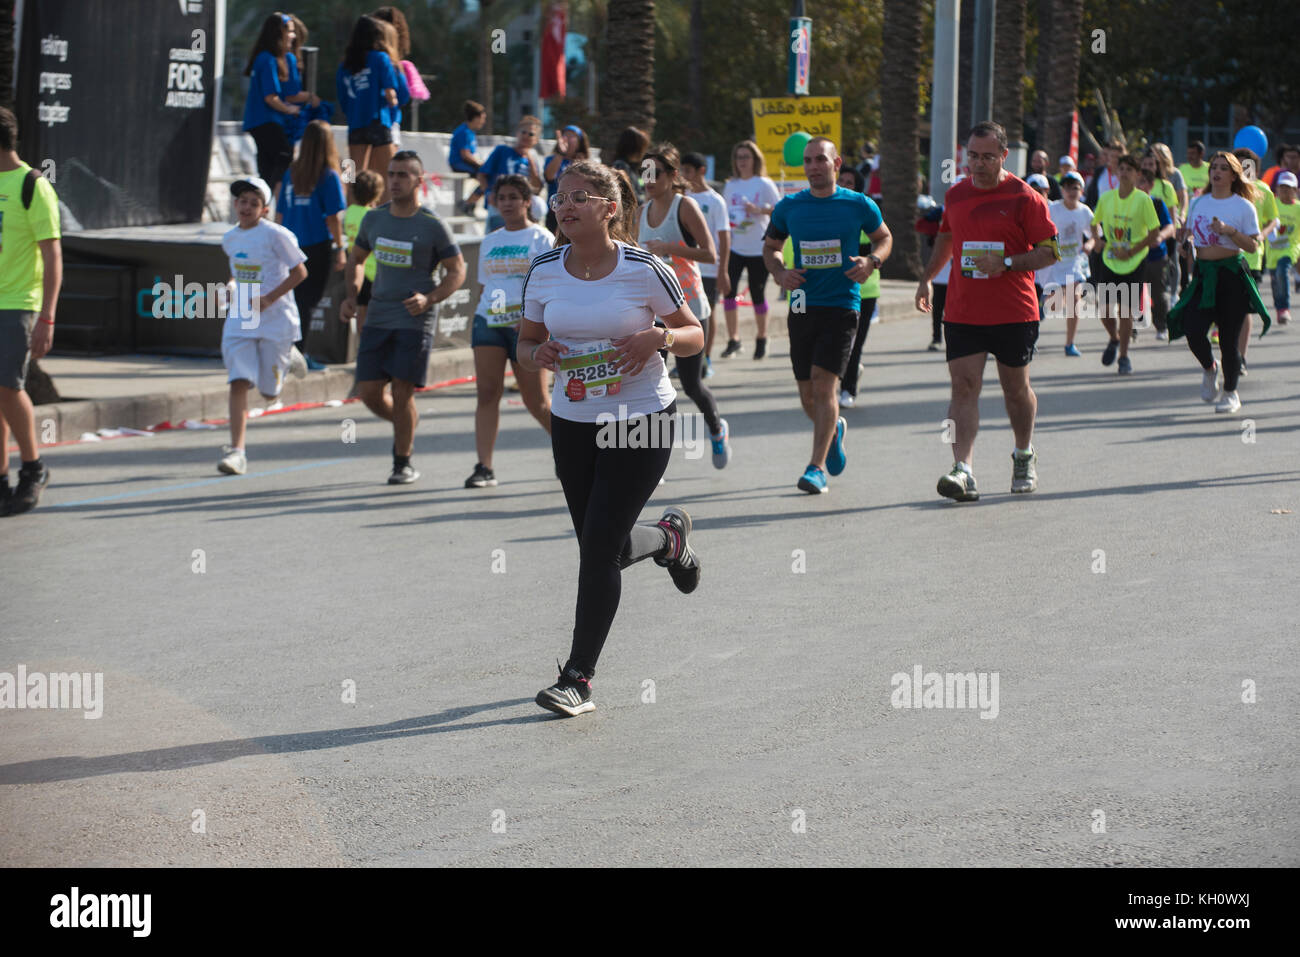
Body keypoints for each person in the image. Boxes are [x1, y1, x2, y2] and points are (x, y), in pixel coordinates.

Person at [515, 160, 705, 717]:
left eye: (579, 196)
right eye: (559, 198)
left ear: (609, 206)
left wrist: (661, 337)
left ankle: (578, 677)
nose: (566, 206)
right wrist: (538, 355)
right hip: (574, 424)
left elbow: (695, 335)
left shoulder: (644, 267)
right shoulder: (545, 269)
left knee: (598, 547)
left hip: (642, 419)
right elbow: (525, 346)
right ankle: (669, 539)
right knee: (607, 547)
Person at [914, 121, 1059, 502]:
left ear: (1003, 156)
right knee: (962, 387)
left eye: (987, 157)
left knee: (1015, 389)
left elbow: (1050, 251)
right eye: (972, 156)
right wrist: (928, 277)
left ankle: (1023, 453)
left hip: (1014, 309)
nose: (978, 164)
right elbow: (947, 236)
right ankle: (963, 470)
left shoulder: (1025, 197)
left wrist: (1007, 263)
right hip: (963, 310)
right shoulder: (956, 195)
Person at [763, 136, 891, 494]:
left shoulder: (858, 204)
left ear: (837, 164)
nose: (814, 166)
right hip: (802, 303)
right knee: (807, 393)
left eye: (821, 159)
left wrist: (872, 260)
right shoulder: (789, 206)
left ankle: (815, 467)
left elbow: (884, 237)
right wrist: (780, 272)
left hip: (842, 303)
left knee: (824, 384)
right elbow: (771, 247)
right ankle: (833, 431)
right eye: (808, 160)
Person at [340, 150, 466, 483]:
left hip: (414, 318)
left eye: (403, 175)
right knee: (368, 392)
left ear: (419, 181)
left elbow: (457, 271)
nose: (394, 181)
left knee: (402, 392)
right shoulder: (374, 219)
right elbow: (355, 260)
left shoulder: (432, 225)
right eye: (392, 174)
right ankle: (406, 421)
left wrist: (430, 298)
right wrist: (352, 297)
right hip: (378, 314)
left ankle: (402, 461)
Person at [637, 143, 730, 468]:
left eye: (655, 172)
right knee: (650, 387)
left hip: (689, 308)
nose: (648, 179)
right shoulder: (640, 212)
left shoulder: (684, 206)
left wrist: (670, 247)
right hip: (654, 313)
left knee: (691, 384)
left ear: (673, 175)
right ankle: (651, 458)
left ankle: (717, 429)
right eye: (644, 172)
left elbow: (710, 253)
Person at [466, 174, 554, 488]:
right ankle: (483, 467)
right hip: (488, 322)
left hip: (526, 326)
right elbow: (483, 286)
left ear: (527, 202)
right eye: (501, 197)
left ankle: (571, 452)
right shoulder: (490, 239)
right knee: (487, 394)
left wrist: (537, 321)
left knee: (537, 401)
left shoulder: (542, 238)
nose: (506, 203)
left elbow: (550, 284)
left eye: (513, 197)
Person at [217, 177, 309, 476]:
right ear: (235, 205)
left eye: (254, 203)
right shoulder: (230, 238)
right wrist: (231, 286)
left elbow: (300, 272)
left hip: (276, 316)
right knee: (239, 379)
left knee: (270, 394)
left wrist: (269, 298)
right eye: (242, 201)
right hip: (243, 312)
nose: (246, 207)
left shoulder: (277, 235)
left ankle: (289, 357)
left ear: (265, 209)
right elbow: (237, 273)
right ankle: (237, 452)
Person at [1168, 151, 1267, 414]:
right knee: (1193, 329)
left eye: (1224, 168)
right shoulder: (1200, 203)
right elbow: (1190, 236)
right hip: (1204, 273)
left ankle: (1230, 392)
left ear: (1234, 175)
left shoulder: (1242, 206)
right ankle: (1210, 368)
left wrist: (1230, 231)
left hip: (1231, 274)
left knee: (1228, 339)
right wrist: (1184, 246)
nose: (1217, 172)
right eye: (1214, 167)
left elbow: (1254, 246)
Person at [0, 106, 61, 516]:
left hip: (18, 303)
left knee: (8, 386)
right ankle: (1, 480)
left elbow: (53, 256)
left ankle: (33, 468)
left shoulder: (32, 185)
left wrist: (47, 317)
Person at [276, 120, 347, 368]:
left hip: (290, 245)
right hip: (317, 246)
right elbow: (333, 217)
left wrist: (277, 242)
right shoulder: (328, 175)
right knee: (308, 301)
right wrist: (340, 248)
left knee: (293, 300)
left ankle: (286, 351)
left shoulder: (291, 172)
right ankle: (299, 355)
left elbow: (280, 213)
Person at [1089, 153, 1160, 375]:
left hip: (1134, 261)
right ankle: (1114, 338)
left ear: (1137, 174)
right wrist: (1098, 241)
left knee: (1126, 312)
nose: (1125, 173)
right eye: (1122, 169)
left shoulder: (1143, 200)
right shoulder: (1107, 198)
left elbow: (1154, 233)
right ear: (1116, 172)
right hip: (1110, 260)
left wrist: (1131, 251)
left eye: (1130, 169)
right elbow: (1094, 222)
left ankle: (1124, 357)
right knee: (1104, 310)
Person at [721, 140, 782, 359]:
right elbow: (724, 213)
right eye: (739, 157)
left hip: (759, 247)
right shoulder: (731, 185)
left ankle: (762, 337)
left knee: (757, 294)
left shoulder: (764, 184)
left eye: (746, 157)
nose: (742, 162)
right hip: (735, 247)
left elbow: (779, 209)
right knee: (728, 293)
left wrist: (759, 210)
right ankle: (733, 339)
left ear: (755, 160)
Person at [336, 15, 406, 202]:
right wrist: (393, 106)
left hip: (355, 126)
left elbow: (343, 100)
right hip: (378, 122)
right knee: (389, 174)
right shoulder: (380, 58)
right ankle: (386, 218)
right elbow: (391, 93)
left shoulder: (345, 65)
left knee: (352, 175)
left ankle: (351, 220)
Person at [835, 165, 882, 406]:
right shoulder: (825, 213)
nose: (843, 185)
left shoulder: (866, 214)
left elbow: (880, 245)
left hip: (864, 291)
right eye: (840, 180)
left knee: (854, 343)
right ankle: (849, 373)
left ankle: (848, 389)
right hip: (833, 291)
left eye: (849, 182)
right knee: (836, 343)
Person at [681, 151, 730, 377]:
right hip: (684, 269)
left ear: (701, 171)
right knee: (683, 315)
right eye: (682, 171)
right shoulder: (682, 199)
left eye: (688, 171)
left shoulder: (715, 200)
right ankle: (686, 359)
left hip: (709, 269)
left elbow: (723, 237)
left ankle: (706, 358)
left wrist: (723, 270)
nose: (684, 175)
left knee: (707, 314)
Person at [242, 14, 300, 198]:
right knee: (284, 156)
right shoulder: (266, 59)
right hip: (265, 120)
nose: (293, 36)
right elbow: (271, 97)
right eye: (290, 31)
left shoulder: (276, 59)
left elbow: (289, 93)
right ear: (279, 33)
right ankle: (266, 199)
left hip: (263, 121)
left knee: (267, 166)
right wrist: (290, 109)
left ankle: (262, 202)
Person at [1037, 170, 1093, 355]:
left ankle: (1070, 343)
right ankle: (1042, 305)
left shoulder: (1085, 212)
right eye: (1067, 188)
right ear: (1061, 190)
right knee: (1054, 304)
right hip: (1053, 263)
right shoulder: (1053, 209)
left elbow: (1095, 235)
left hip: (1073, 263)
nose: (1071, 191)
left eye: (1075, 188)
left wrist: (1089, 246)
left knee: (1074, 299)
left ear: (1081, 191)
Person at [1233, 147, 1277, 375]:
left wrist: (1262, 234)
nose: (1243, 169)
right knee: (1226, 310)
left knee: (1245, 310)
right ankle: (1230, 351)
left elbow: (1273, 219)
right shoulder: (1227, 191)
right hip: (1226, 256)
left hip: (1252, 258)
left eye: (1246, 165)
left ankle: (1241, 356)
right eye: (1238, 165)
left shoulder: (1263, 190)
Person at [341, 168, 383, 388]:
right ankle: (373, 358)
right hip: (374, 270)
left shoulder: (349, 213)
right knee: (375, 319)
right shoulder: (373, 216)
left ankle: (362, 356)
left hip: (356, 271)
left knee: (361, 318)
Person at [372, 5, 430, 148]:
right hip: (388, 123)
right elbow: (403, 96)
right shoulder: (390, 62)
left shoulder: (367, 59)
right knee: (388, 168)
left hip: (371, 123)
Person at [479, 116, 544, 232]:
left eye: (531, 134)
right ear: (517, 133)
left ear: (536, 139)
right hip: (499, 207)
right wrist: (489, 193)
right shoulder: (502, 151)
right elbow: (482, 174)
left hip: (522, 210)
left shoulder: (534, 159)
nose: (526, 136)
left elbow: (537, 188)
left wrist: (530, 161)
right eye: (523, 132)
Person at [1135, 168, 1177, 339]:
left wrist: (1160, 236)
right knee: (1131, 293)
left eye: (1142, 182)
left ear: (1151, 185)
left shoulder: (1158, 204)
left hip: (1156, 256)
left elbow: (1169, 226)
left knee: (1158, 294)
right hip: (1133, 256)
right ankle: (1131, 328)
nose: (1139, 186)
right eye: (1136, 182)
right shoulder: (1126, 204)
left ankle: (1162, 326)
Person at [1264, 170, 1299, 325]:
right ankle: (1279, 308)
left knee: (1282, 270)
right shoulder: (1272, 204)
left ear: (1295, 190)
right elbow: (1263, 221)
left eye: (1288, 188)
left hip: (1290, 248)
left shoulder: (1298, 208)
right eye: (1282, 187)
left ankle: (1284, 308)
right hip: (1272, 250)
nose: (1284, 191)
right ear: (1276, 189)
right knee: (1275, 280)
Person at [544, 125, 590, 233]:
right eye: (565, 136)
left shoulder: (585, 162)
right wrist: (560, 154)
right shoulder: (552, 159)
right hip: (555, 208)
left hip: (577, 208)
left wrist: (581, 164)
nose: (567, 139)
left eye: (572, 136)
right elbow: (549, 177)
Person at [449, 100, 487, 215]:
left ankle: (470, 203)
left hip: (463, 162)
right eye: (482, 118)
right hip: (458, 163)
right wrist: (481, 165)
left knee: (487, 177)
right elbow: (465, 155)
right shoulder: (464, 132)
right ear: (475, 118)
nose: (483, 122)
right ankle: (467, 203)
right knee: (487, 178)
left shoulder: (469, 132)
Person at [609, 126, 650, 205]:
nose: (644, 152)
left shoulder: (634, 168)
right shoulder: (620, 167)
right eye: (643, 147)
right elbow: (631, 197)